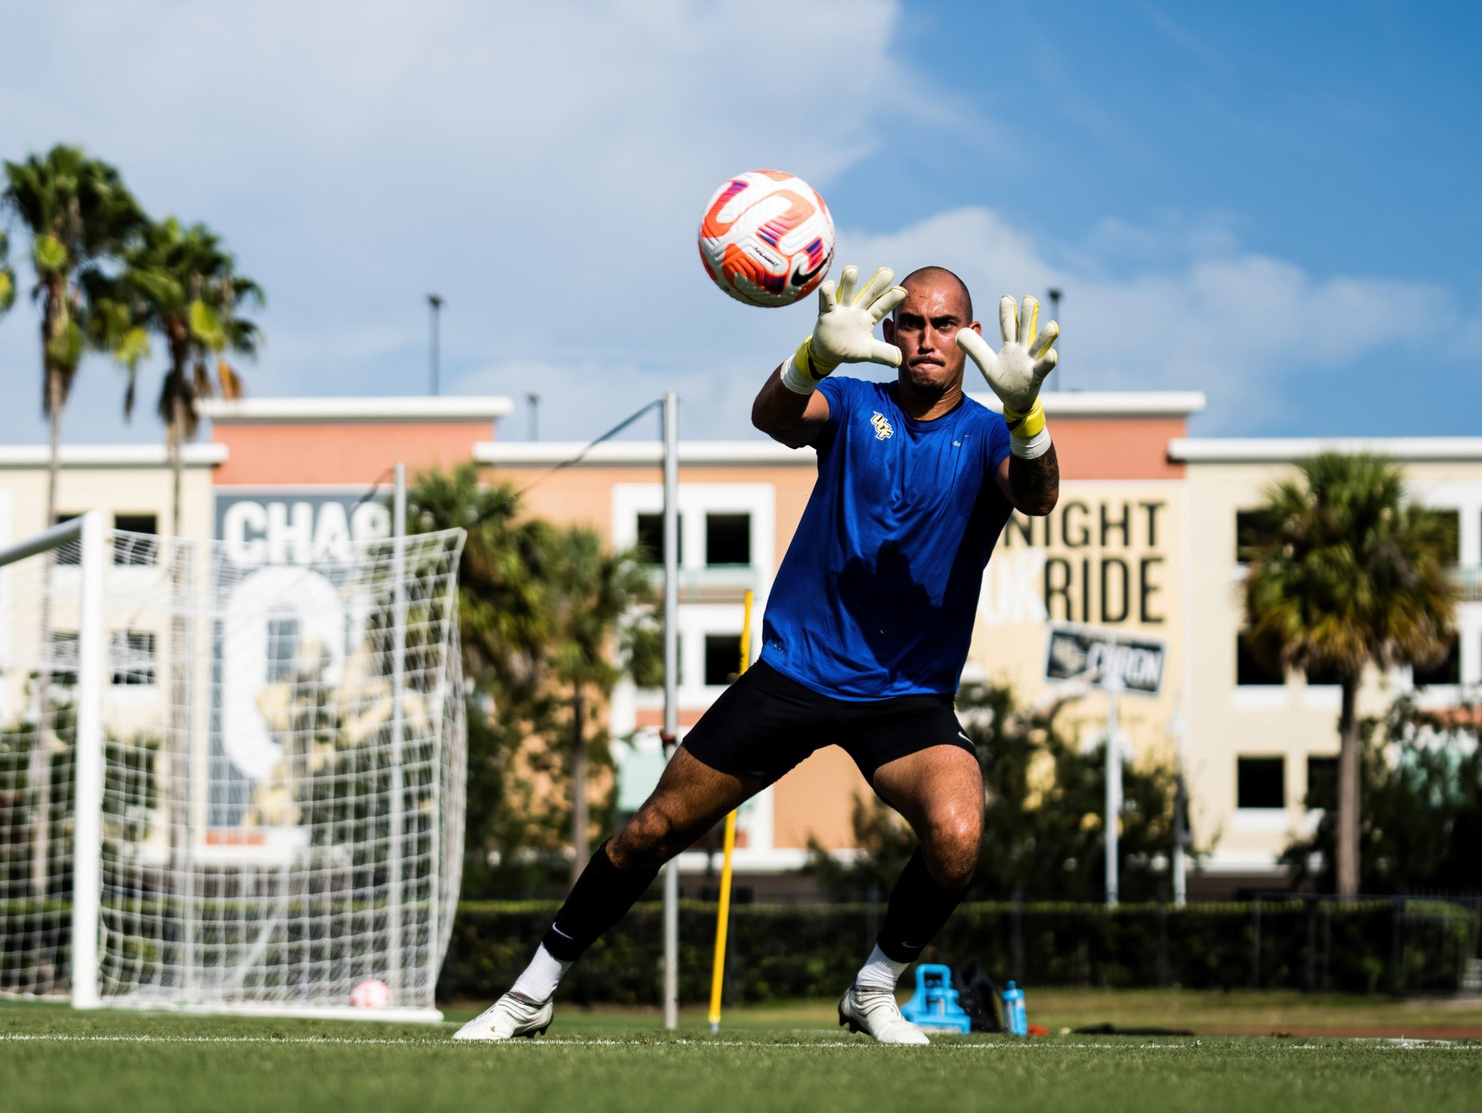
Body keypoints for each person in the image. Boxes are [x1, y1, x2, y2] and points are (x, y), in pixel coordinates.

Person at [454, 264, 1061, 1043]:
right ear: (889, 332)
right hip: (797, 672)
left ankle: (873, 988)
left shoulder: (986, 433)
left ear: (970, 336)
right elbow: (773, 414)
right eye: (910, 322)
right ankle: (530, 993)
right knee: (651, 831)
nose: (926, 339)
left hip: (908, 694)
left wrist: (1027, 413)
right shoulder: (852, 399)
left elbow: (1039, 494)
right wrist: (813, 355)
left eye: (945, 325)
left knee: (959, 831)